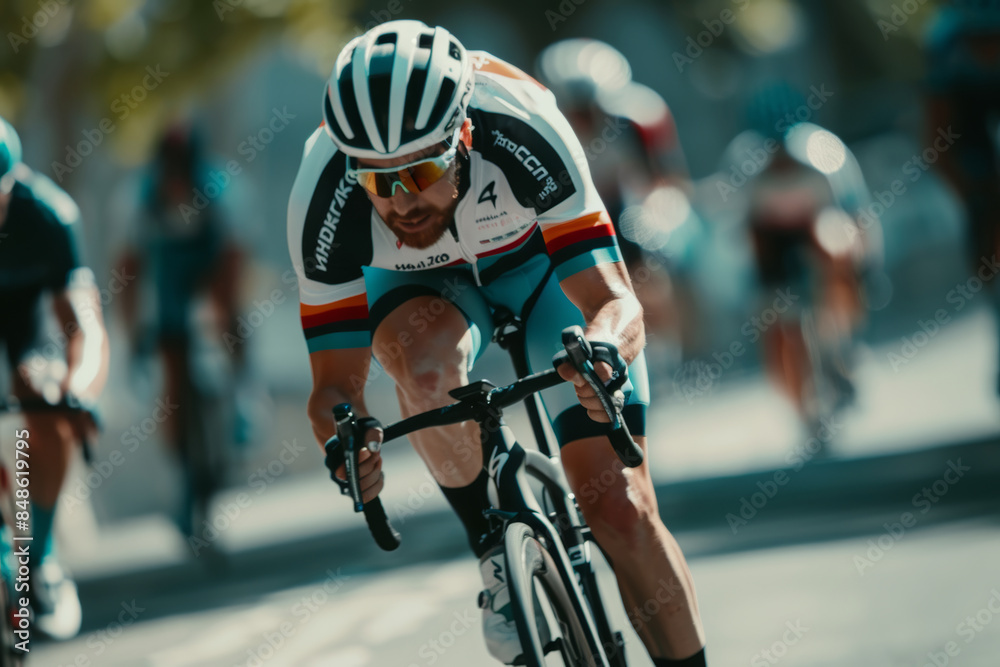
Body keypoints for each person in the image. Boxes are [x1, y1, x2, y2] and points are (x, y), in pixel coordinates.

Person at [287, 21, 707, 665]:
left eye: (421, 171)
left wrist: (602, 350)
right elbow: (333, 390)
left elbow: (615, 303)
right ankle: (494, 548)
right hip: (423, 290)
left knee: (620, 508)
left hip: (540, 271)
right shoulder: (323, 195)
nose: (401, 202)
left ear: (461, 136)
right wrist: (345, 439)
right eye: (378, 180)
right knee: (422, 375)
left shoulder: (520, 121)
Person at [115, 121, 255, 535]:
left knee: (229, 320)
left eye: (183, 170)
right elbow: (127, 271)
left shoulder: (223, 190)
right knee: (172, 370)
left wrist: (226, 317)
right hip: (169, 283)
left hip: (211, 272)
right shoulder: (137, 198)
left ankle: (243, 396)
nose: (176, 180)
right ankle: (183, 469)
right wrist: (135, 335)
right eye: (169, 170)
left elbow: (234, 259)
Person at [0, 115, 109, 639]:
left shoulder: (48, 214)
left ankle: (37, 556)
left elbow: (83, 325)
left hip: (28, 328)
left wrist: (78, 390)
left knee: (44, 396)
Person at [535, 38, 703, 363]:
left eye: (588, 109)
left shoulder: (636, 120)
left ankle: (671, 340)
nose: (582, 118)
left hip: (632, 203)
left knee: (647, 258)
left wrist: (658, 217)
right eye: (573, 110)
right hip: (579, 210)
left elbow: (668, 179)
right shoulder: (546, 131)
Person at [734, 83, 873, 434]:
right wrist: (760, 286)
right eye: (771, 148)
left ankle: (841, 343)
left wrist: (858, 269)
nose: (779, 155)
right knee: (780, 321)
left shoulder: (824, 152)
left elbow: (856, 216)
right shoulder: (743, 162)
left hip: (819, 228)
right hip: (772, 240)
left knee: (838, 252)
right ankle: (804, 408)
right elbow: (743, 232)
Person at [924, 0, 1000, 389]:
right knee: (984, 208)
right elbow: (938, 139)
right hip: (969, 124)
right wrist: (971, 197)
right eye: (980, 39)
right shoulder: (945, 39)